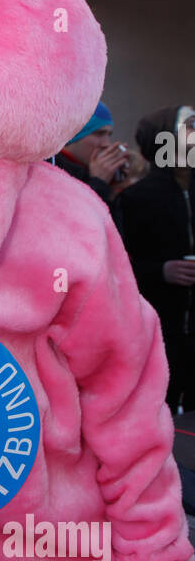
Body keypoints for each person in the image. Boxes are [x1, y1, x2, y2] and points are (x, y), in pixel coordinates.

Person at [118, 104, 195, 412]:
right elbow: (117, 268)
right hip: (159, 329)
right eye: (189, 127)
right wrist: (161, 271)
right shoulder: (136, 197)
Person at [56, 99, 129, 207]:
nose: (107, 144)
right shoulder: (50, 170)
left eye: (109, 135)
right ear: (73, 134)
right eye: (99, 134)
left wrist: (112, 190)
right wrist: (98, 182)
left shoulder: (86, 171)